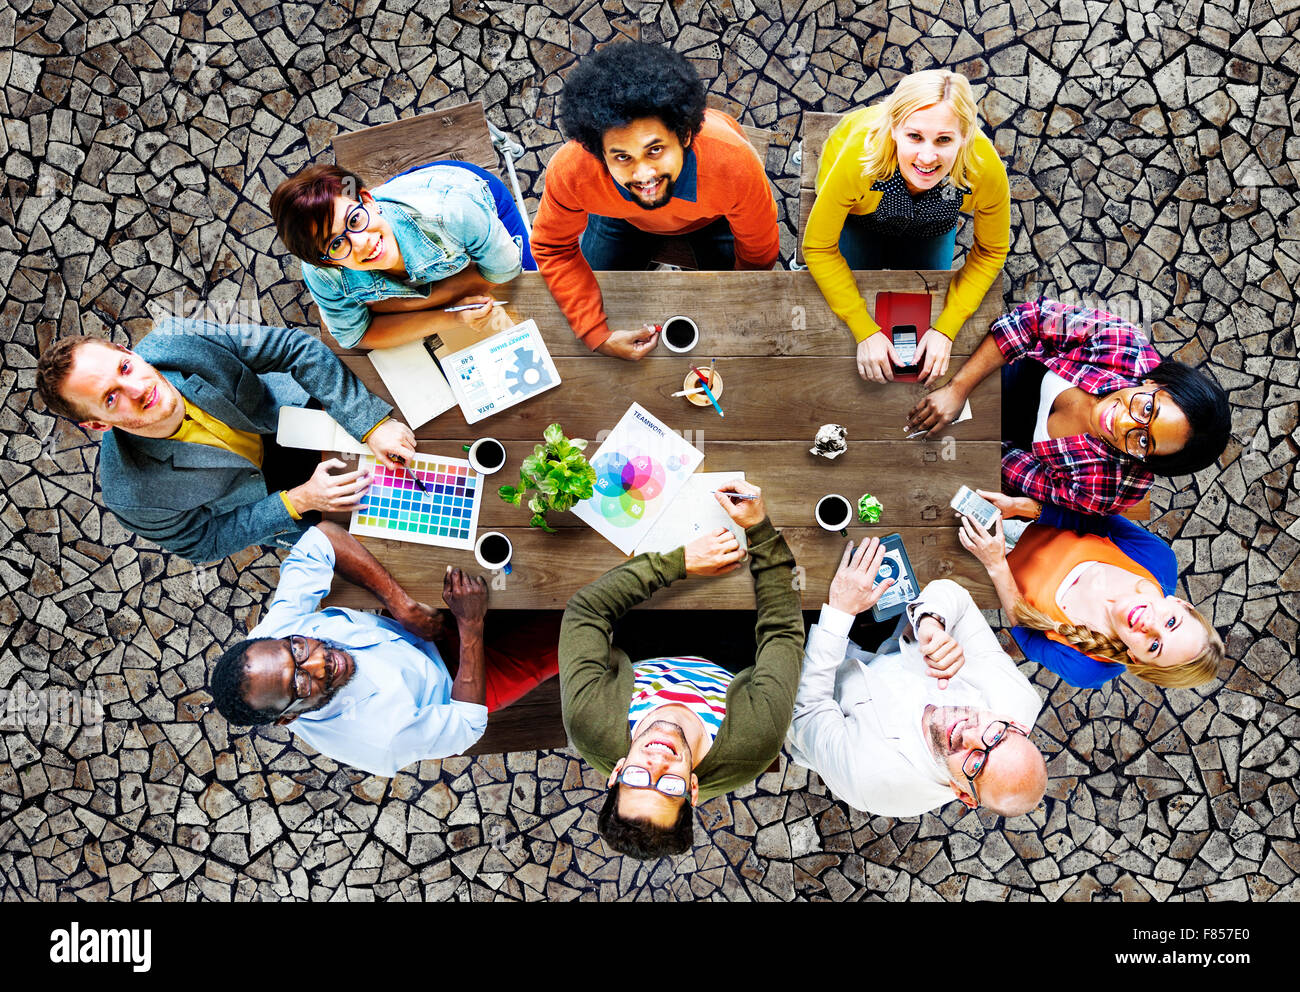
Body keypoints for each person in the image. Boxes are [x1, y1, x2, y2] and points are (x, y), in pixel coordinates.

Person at [35, 318, 415, 563]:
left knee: (424, 446)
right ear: (98, 425)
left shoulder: (178, 337)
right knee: (408, 547)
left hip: (294, 415)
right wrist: (298, 501)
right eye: (111, 398)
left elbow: (294, 348)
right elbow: (203, 543)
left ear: (127, 351)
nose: (138, 388)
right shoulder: (130, 496)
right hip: (274, 501)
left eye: (125, 368)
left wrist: (370, 424)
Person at [559, 481, 803, 858]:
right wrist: (758, 527)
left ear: (616, 773)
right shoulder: (755, 743)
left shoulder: (589, 724)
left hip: (649, 632)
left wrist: (680, 562)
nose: (657, 762)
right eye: (668, 786)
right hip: (736, 649)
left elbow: (586, 612)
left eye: (638, 778)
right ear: (692, 789)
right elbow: (781, 631)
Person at [209, 522, 560, 776]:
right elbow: (466, 725)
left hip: (416, 619)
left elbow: (323, 539)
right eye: (301, 685)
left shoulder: (274, 637)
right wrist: (470, 625)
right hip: (464, 682)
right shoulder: (378, 742)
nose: (319, 661)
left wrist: (401, 606)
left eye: (298, 648)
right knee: (573, 631)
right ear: (289, 717)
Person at [531, 41, 780, 360]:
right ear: (598, 153)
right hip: (622, 221)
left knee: (736, 318)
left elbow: (758, 253)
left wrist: (737, 298)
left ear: (686, 136)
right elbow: (552, 248)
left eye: (655, 149)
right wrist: (597, 334)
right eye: (622, 156)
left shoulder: (734, 165)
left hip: (713, 221)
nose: (644, 174)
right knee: (587, 302)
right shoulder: (573, 171)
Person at [786, 540, 1047, 818]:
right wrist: (932, 622)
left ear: (962, 794)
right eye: (995, 735)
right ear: (1015, 725)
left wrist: (839, 612)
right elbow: (956, 598)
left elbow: (807, 709)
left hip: (807, 675)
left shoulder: (871, 782)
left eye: (975, 764)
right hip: (889, 635)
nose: (968, 733)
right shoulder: (1017, 699)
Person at [907, 298, 1232, 516]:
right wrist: (957, 389)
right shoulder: (1122, 343)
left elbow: (1017, 474)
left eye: (1144, 441)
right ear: (1155, 384)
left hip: (983, 448)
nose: (1122, 423)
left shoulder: (1111, 488)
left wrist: (960, 441)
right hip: (984, 365)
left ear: (1148, 462)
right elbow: (1028, 321)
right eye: (1148, 409)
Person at [803, 69, 1010, 385]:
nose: (927, 157)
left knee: (925, 301)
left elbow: (992, 251)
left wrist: (945, 328)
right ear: (893, 129)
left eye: (944, 139)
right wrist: (865, 330)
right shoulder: (860, 157)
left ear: (965, 137)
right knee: (840, 305)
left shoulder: (985, 170)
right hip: (860, 215)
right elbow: (818, 247)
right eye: (915, 136)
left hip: (932, 223)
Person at [956, 490, 1223, 690]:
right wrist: (1019, 506)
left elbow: (1027, 638)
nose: (1150, 625)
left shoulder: (1087, 668)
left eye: (1154, 646)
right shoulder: (1158, 560)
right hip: (1027, 517)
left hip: (986, 567)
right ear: (1181, 604)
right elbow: (1097, 520)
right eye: (1172, 622)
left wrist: (996, 565)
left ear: (1137, 659)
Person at [271, 160, 532, 349]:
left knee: (531, 285)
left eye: (354, 219)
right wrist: (452, 316)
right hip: (413, 205)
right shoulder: (321, 270)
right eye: (337, 244)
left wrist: (397, 306)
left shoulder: (455, 211)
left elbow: (505, 271)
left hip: (473, 196)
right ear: (324, 259)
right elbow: (356, 336)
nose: (362, 243)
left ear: (368, 199)